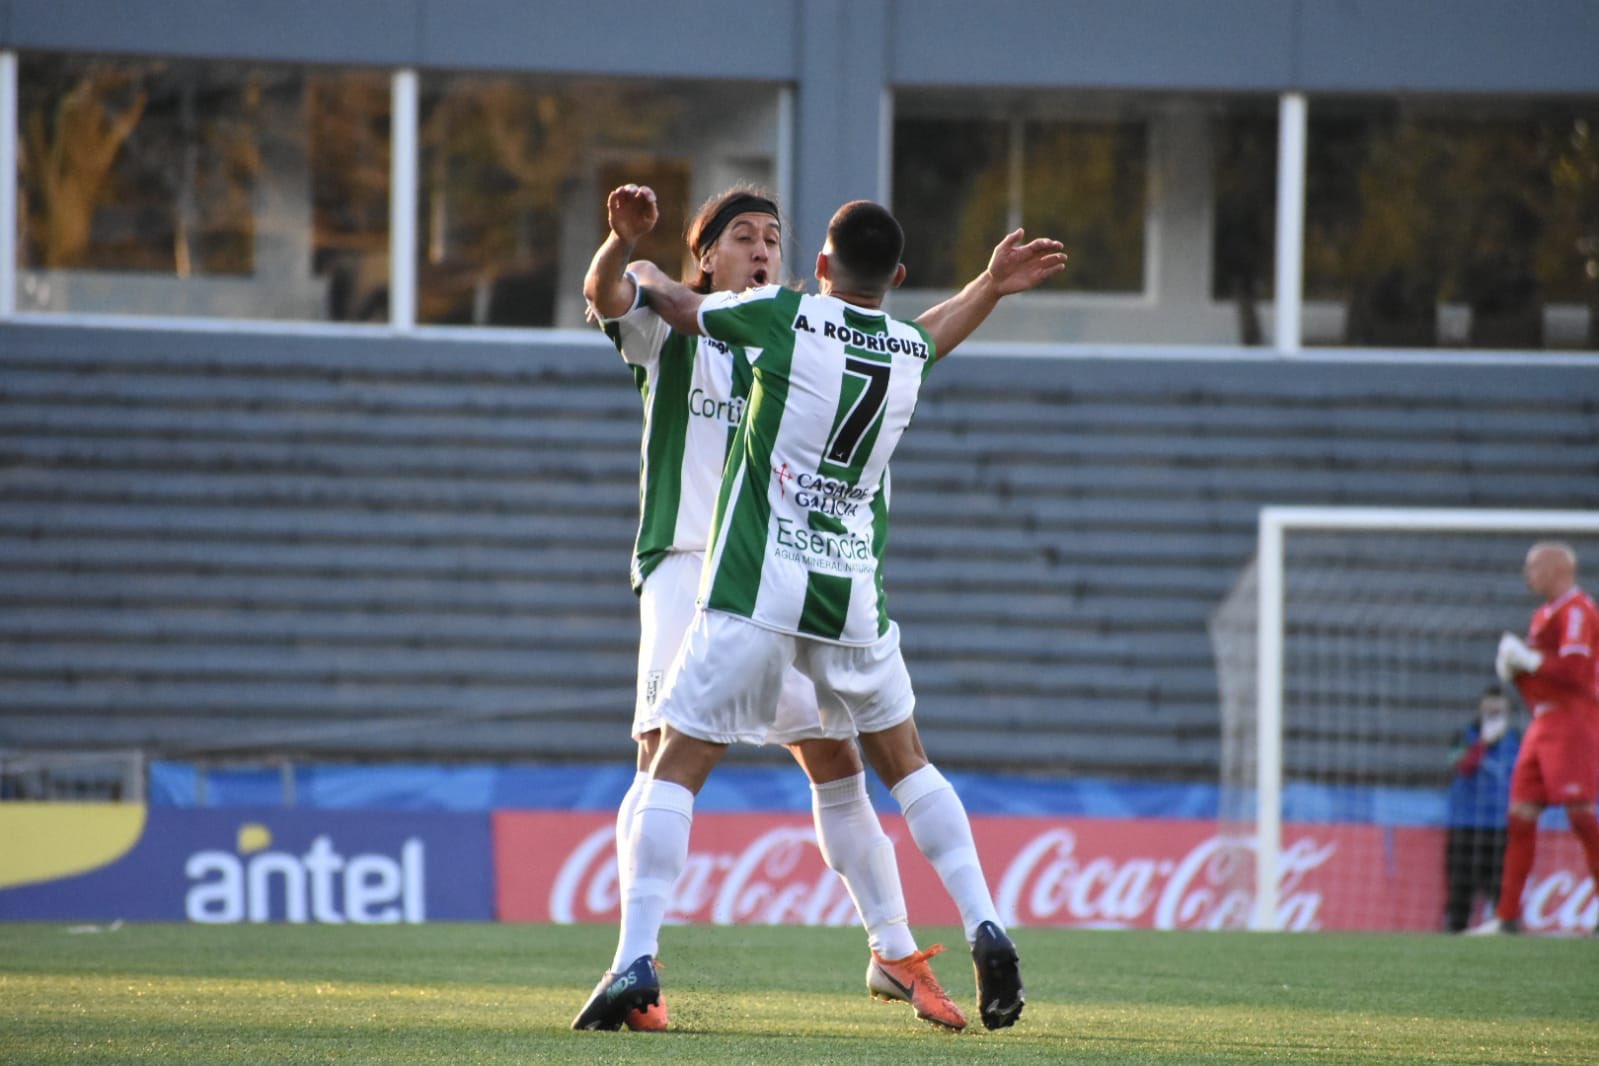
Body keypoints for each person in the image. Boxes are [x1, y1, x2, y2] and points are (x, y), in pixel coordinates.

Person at [572, 197, 1066, 1032]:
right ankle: (979, 919)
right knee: (880, 759)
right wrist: (627, 255)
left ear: (818, 266)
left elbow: (675, 296)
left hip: (751, 580)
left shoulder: (783, 321)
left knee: (784, 761)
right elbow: (614, 297)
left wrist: (650, 268)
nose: (763, 249)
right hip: (727, 569)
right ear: (708, 254)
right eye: (743, 236)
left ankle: (882, 948)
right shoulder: (850, 339)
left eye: (773, 238)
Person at [1468, 541, 1599, 935]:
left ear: (1556, 570)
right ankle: (1507, 917)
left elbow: (1575, 672)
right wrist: (1515, 671)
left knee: (1580, 814)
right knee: (1520, 816)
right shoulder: (1542, 614)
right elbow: (1543, 675)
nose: (1527, 575)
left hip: (1572, 722)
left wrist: (1530, 660)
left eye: (1533, 567)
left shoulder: (1577, 610)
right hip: (1541, 723)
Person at [1443, 684, 1519, 932]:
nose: (1495, 709)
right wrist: (1484, 743)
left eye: (1500, 706)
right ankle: (1454, 936)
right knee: (1460, 889)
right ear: (1480, 708)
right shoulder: (1463, 735)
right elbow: (1461, 767)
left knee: (1502, 889)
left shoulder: (1518, 738)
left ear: (1508, 710)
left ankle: (1506, 935)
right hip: (1465, 825)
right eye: (1490, 704)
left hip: (1501, 827)